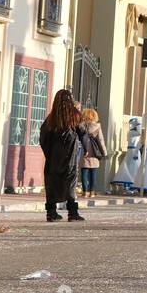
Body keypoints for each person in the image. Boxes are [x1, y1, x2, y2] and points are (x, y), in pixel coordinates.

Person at [40, 89, 85, 222]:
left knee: (52, 182)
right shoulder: (75, 116)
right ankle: (72, 212)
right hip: (70, 155)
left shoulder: (51, 118)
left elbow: (43, 137)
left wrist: (48, 152)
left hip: (53, 156)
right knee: (70, 182)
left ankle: (51, 212)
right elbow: (82, 132)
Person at [78, 107, 106, 199]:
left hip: (84, 152)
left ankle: (85, 192)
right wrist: (104, 152)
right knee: (93, 173)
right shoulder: (97, 127)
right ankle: (92, 192)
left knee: (84, 172)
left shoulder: (81, 126)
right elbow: (101, 140)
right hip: (94, 152)